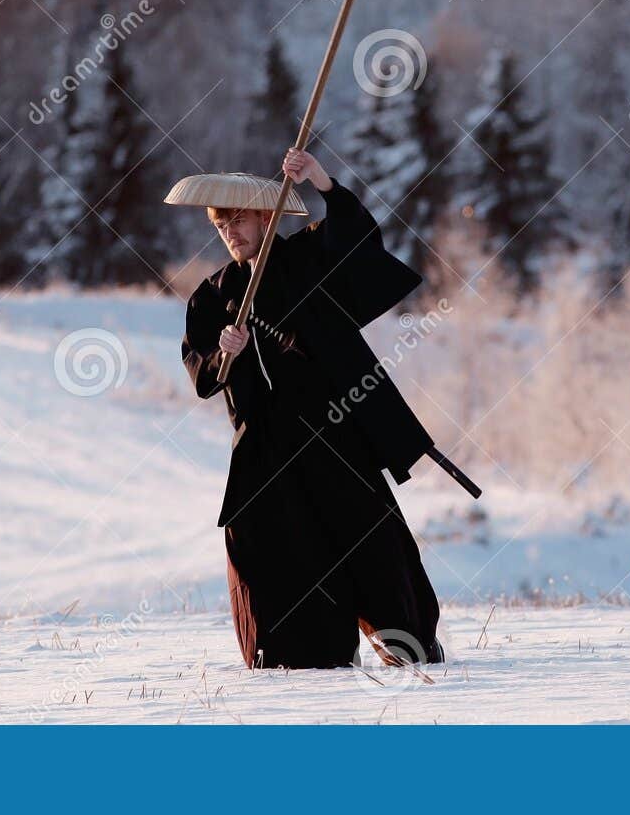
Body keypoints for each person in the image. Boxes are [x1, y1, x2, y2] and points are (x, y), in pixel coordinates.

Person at [166, 148, 444, 670]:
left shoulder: (307, 260)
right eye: (222, 223)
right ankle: (298, 655)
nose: (230, 231)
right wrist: (223, 356)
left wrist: (321, 180)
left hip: (331, 432)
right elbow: (201, 374)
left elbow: (358, 242)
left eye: (241, 219)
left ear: (268, 218)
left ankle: (406, 642)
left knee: (370, 542)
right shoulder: (211, 296)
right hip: (263, 450)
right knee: (270, 547)